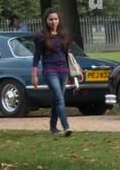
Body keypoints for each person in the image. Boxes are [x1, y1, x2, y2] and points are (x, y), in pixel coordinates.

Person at [30, 7, 82, 136]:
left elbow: (69, 53)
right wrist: (34, 74)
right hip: (50, 70)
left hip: (63, 70)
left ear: (59, 20)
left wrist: (77, 69)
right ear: (46, 20)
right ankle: (66, 127)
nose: (53, 22)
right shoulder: (41, 36)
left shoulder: (63, 34)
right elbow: (36, 56)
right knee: (59, 97)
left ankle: (53, 127)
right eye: (51, 19)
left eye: (56, 19)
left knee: (55, 99)